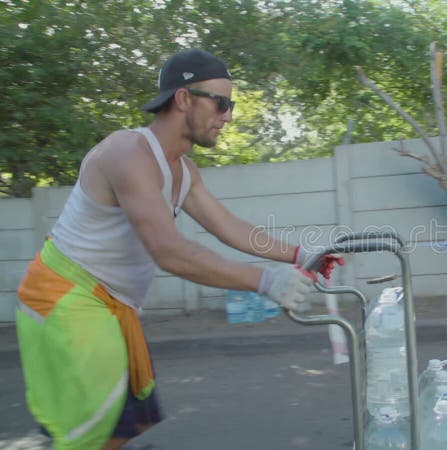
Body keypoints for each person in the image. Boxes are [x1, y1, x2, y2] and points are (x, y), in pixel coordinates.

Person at [15, 48, 344, 450]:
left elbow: (229, 227)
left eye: (231, 105)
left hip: (107, 307)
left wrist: (300, 255)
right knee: (89, 436)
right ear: (184, 98)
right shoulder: (128, 153)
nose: (228, 116)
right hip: (65, 299)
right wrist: (264, 281)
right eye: (221, 103)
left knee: (119, 429)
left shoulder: (183, 170)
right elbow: (168, 250)